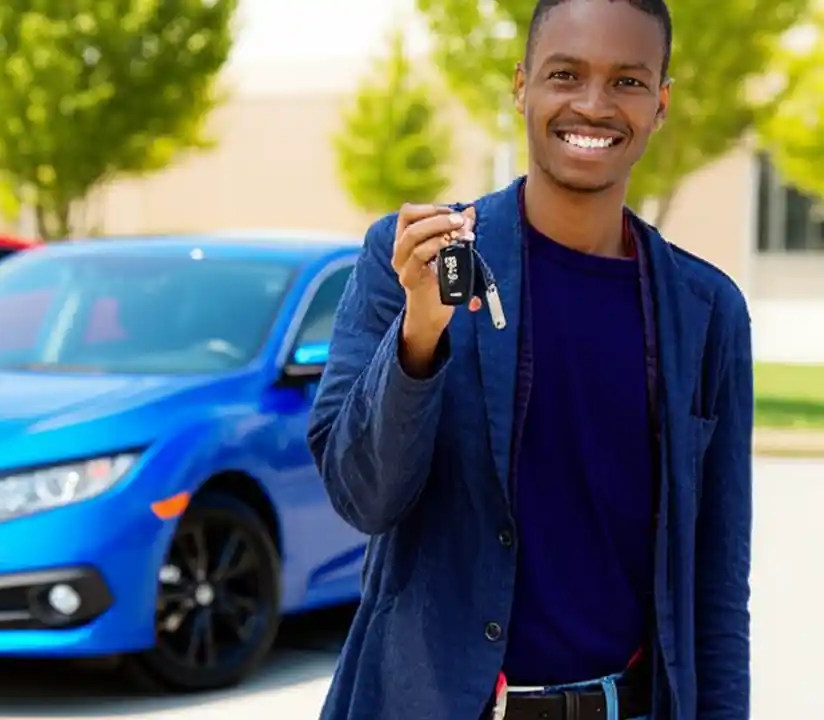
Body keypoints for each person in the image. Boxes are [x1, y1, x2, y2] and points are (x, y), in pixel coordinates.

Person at [307, 0, 753, 718]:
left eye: (628, 82)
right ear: (522, 87)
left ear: (661, 102)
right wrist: (421, 336)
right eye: (565, 74)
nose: (593, 104)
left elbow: (718, 587)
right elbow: (363, 497)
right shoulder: (412, 259)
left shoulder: (707, 313)